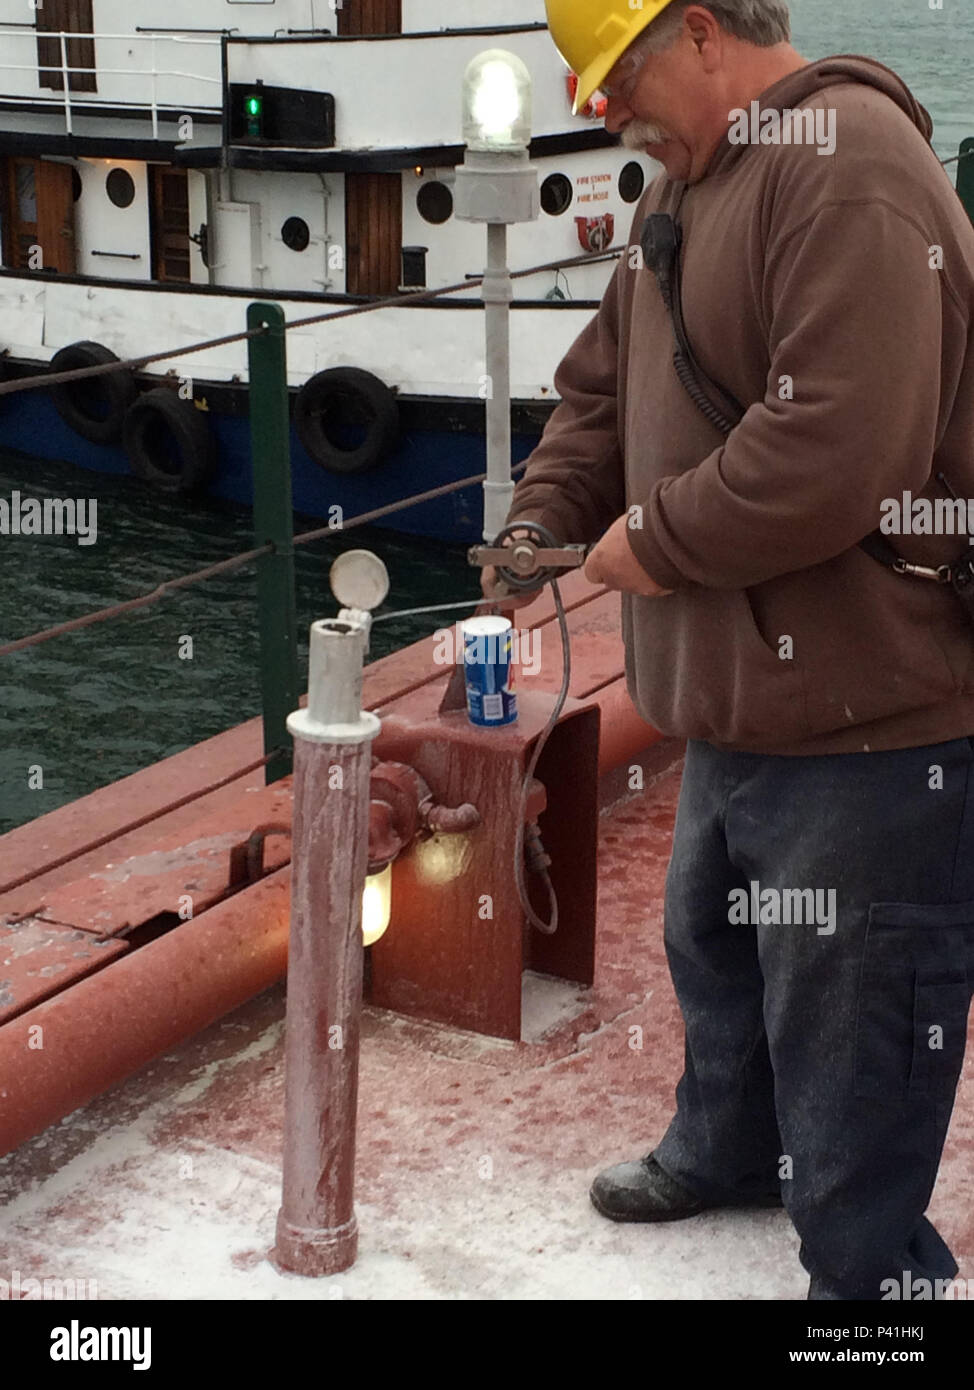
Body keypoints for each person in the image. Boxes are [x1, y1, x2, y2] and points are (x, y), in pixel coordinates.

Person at [483, 0, 974, 1301]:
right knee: (715, 941)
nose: (599, 108)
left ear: (700, 30)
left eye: (614, 72)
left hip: (866, 719)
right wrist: (545, 512)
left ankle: (873, 1278)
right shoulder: (682, 189)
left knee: (853, 1013)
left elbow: (834, 455)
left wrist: (640, 543)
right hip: (734, 699)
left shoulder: (851, 167)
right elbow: (600, 389)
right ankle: (728, 1148)